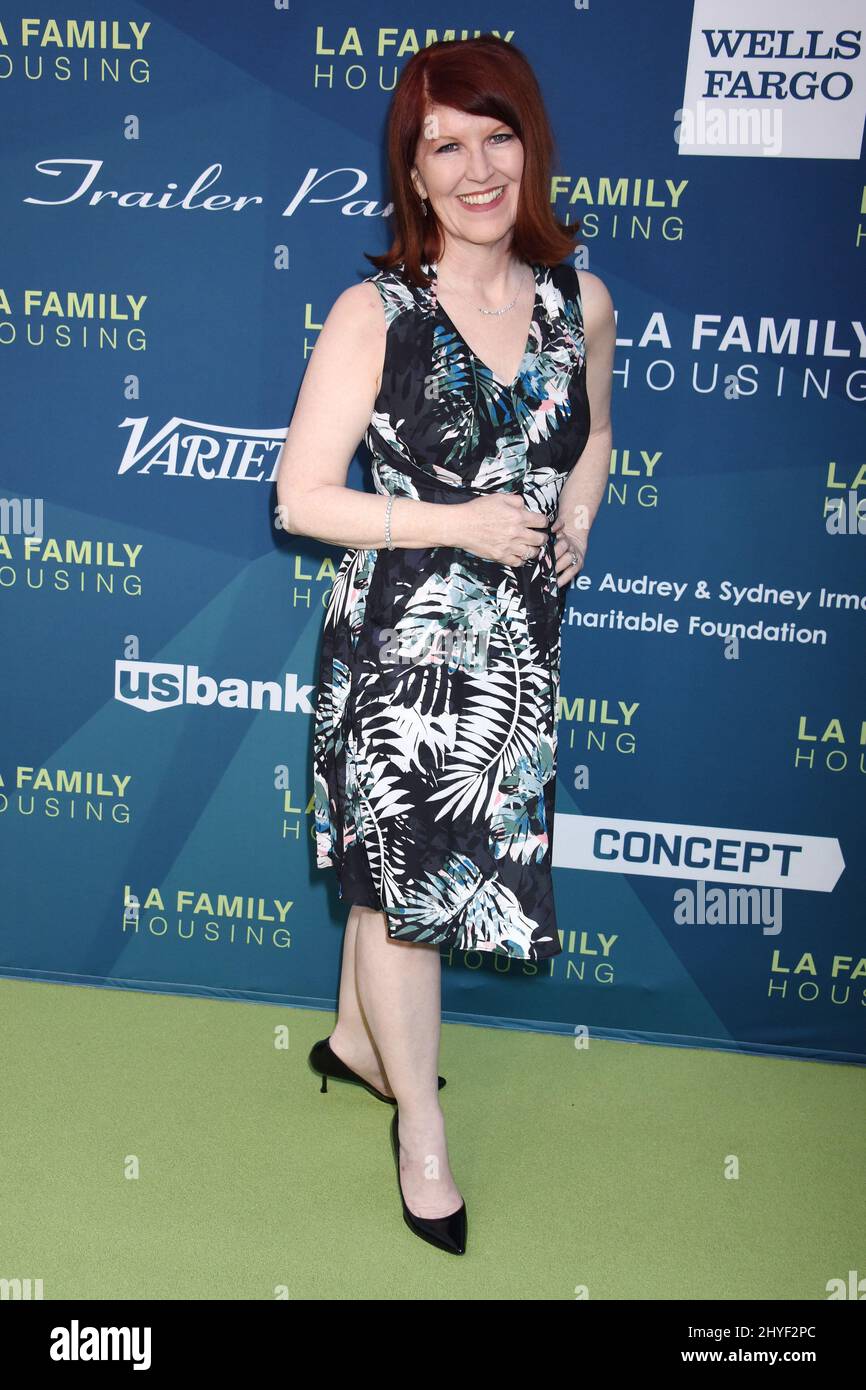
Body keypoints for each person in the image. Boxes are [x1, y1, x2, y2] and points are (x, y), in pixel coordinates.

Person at [276, 34, 615, 1256]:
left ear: (529, 145)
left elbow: (590, 439)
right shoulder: (376, 311)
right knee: (406, 887)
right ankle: (417, 1122)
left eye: (494, 135)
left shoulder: (582, 300)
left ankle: (357, 1041)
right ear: (411, 175)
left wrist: (574, 512)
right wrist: (458, 522)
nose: (474, 169)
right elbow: (300, 497)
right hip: (398, 647)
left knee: (391, 883)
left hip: (520, 650)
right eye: (442, 146)